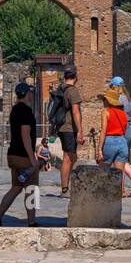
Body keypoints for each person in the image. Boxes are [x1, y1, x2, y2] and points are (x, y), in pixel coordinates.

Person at [0, 82, 44, 226]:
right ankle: (31, 221)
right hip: (23, 156)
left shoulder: (14, 110)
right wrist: (33, 159)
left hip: (13, 155)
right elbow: (25, 135)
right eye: (30, 92)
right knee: (32, 189)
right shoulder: (25, 111)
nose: (32, 95)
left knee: (16, 187)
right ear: (26, 94)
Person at [98, 86, 131, 197]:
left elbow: (103, 130)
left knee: (102, 170)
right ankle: (121, 192)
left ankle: (101, 194)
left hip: (110, 141)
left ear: (108, 101)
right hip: (122, 142)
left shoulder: (106, 112)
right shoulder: (124, 114)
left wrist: (99, 149)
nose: (103, 102)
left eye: (104, 100)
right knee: (119, 172)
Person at [52, 65, 83, 197]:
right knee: (67, 158)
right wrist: (80, 131)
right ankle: (64, 189)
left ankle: (67, 184)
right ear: (75, 76)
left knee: (72, 157)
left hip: (62, 127)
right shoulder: (73, 91)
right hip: (69, 128)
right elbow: (76, 112)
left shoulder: (61, 88)